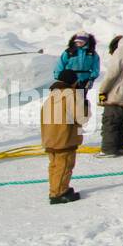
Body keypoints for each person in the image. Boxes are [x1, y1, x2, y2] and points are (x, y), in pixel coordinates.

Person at [41, 68, 88, 204]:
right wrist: (84, 103)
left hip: (50, 138)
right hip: (64, 138)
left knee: (55, 166)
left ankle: (56, 189)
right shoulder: (71, 94)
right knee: (64, 165)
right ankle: (58, 194)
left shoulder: (52, 95)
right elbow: (82, 118)